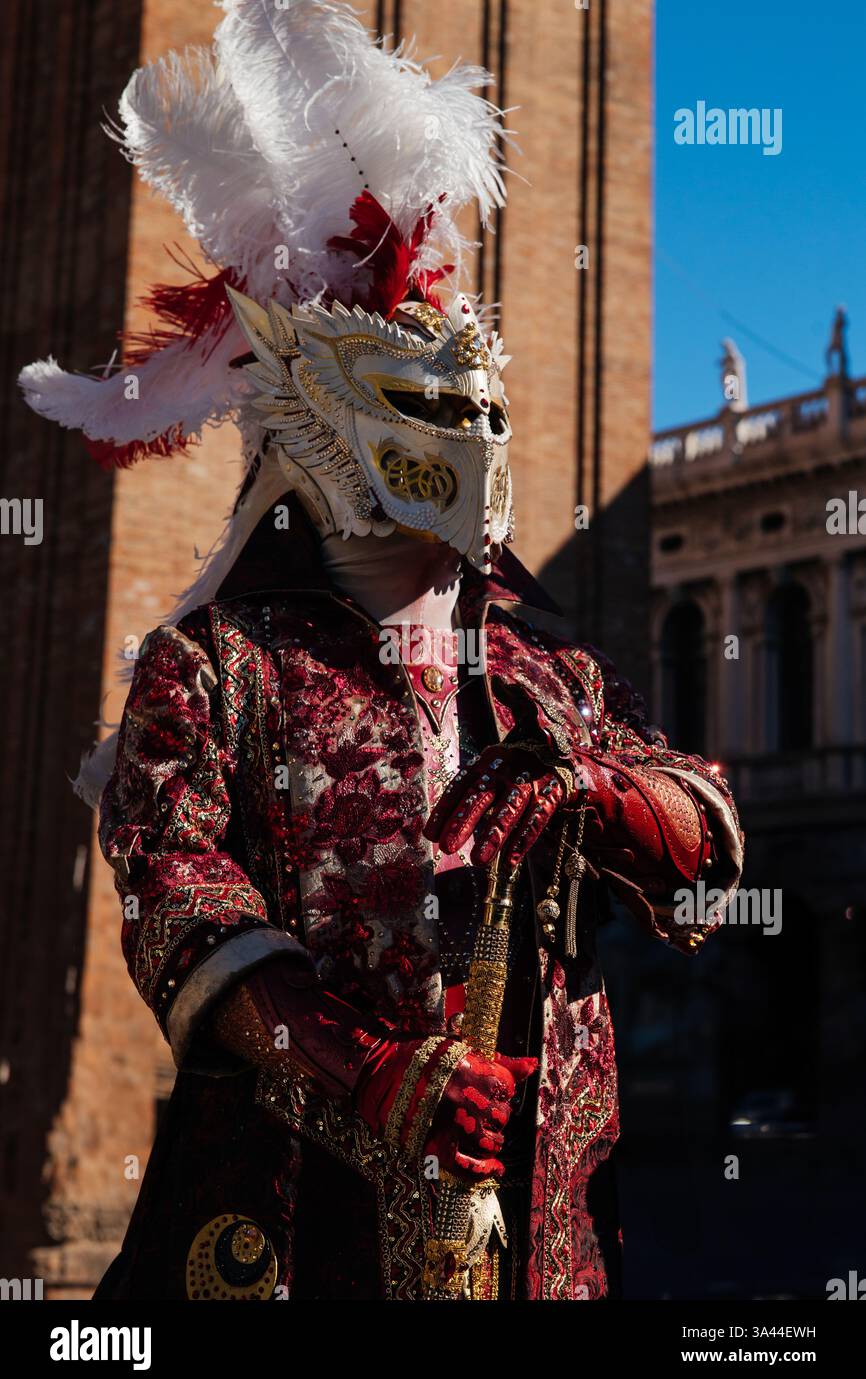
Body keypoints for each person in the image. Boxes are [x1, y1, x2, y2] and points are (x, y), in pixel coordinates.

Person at [20, 0, 743, 1301]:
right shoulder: (214, 661)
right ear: (314, 415)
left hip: (537, 1241)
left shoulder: (548, 666)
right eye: (415, 394)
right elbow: (176, 889)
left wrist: (608, 793)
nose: (460, 430)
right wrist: (356, 1060)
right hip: (279, 1237)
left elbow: (700, 847)